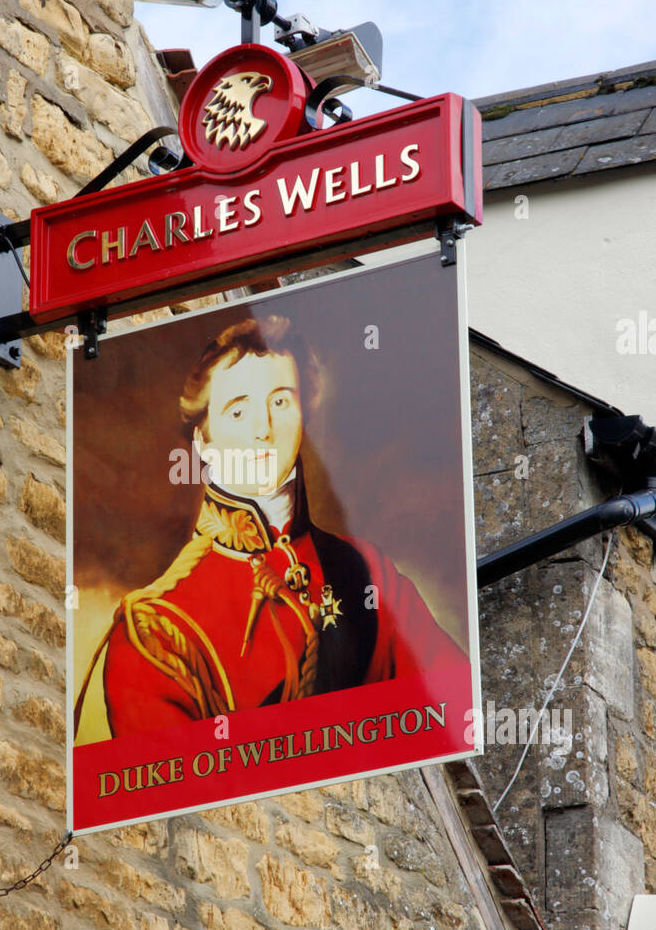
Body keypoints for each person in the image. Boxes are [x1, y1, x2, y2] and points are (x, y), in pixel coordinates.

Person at [75, 314, 466, 741]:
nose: (263, 430)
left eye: (280, 402)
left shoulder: (364, 570)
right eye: (238, 410)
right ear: (202, 440)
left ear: (304, 414)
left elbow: (457, 710)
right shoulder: (153, 631)